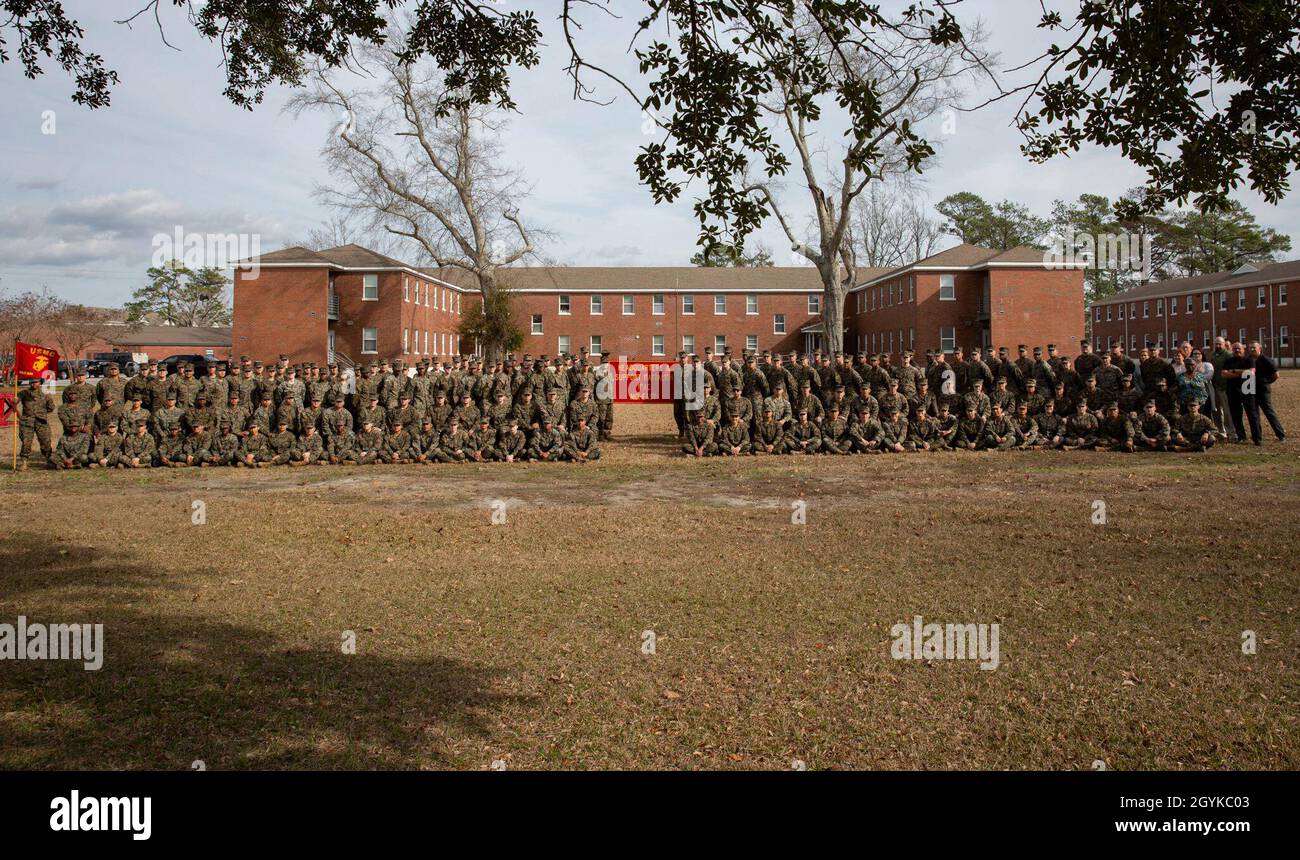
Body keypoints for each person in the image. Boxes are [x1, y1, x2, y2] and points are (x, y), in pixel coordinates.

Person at [1247, 341, 1285, 442]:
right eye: (1250, 348)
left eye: (1253, 348)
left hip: (1263, 390)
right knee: (1254, 414)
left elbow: (1276, 375)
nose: (1251, 350)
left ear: (1259, 348)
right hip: (1251, 389)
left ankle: (1280, 435)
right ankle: (1257, 437)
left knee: (1269, 412)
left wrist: (1266, 382)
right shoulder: (1248, 360)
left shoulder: (1266, 360)